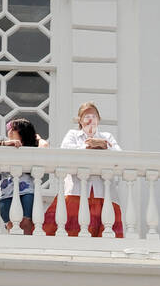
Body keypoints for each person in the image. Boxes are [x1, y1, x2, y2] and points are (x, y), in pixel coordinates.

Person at [43, 102, 123, 238]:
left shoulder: (107, 137)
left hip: (103, 193)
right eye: (86, 116)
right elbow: (65, 153)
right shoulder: (73, 135)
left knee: (104, 237)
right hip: (76, 191)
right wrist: (88, 146)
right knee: (68, 234)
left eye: (94, 116)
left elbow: (119, 156)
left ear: (99, 119)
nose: (90, 119)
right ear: (80, 120)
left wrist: (104, 146)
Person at [0, 118, 48, 234]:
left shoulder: (30, 149)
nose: (10, 131)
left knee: (26, 224)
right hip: (6, 193)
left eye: (14, 129)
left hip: (26, 191)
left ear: (23, 132)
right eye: (9, 128)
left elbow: (45, 147)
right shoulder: (3, 147)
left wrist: (37, 138)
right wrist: (4, 143)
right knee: (11, 226)